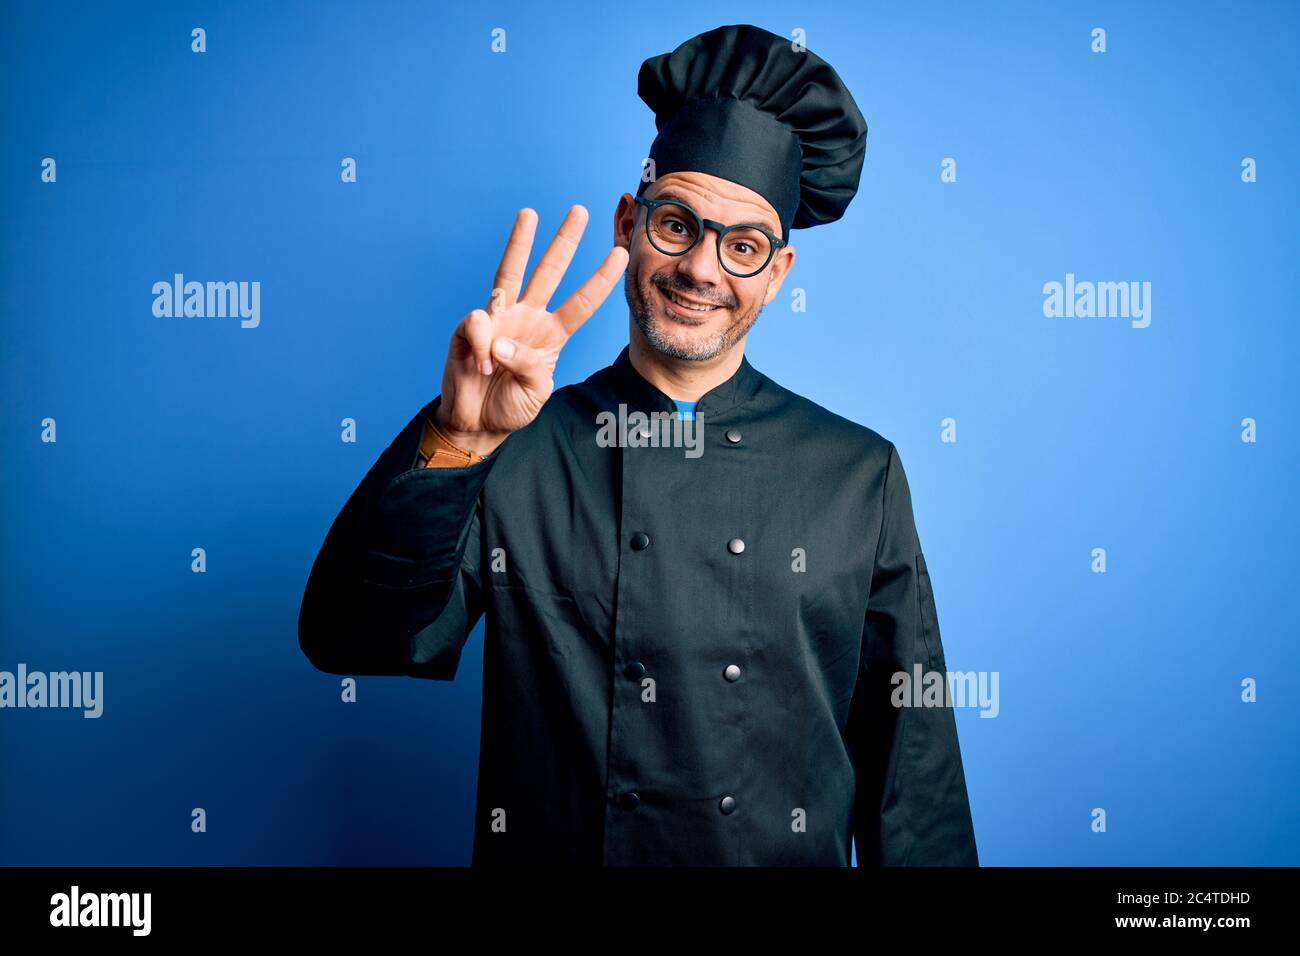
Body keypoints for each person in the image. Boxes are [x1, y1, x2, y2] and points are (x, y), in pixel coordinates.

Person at [298, 23, 978, 866]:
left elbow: (915, 774)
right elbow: (351, 640)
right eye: (675, 224)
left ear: (778, 273)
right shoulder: (516, 448)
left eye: (743, 245)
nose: (702, 269)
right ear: (629, 222)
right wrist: (455, 437)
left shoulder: (857, 475)